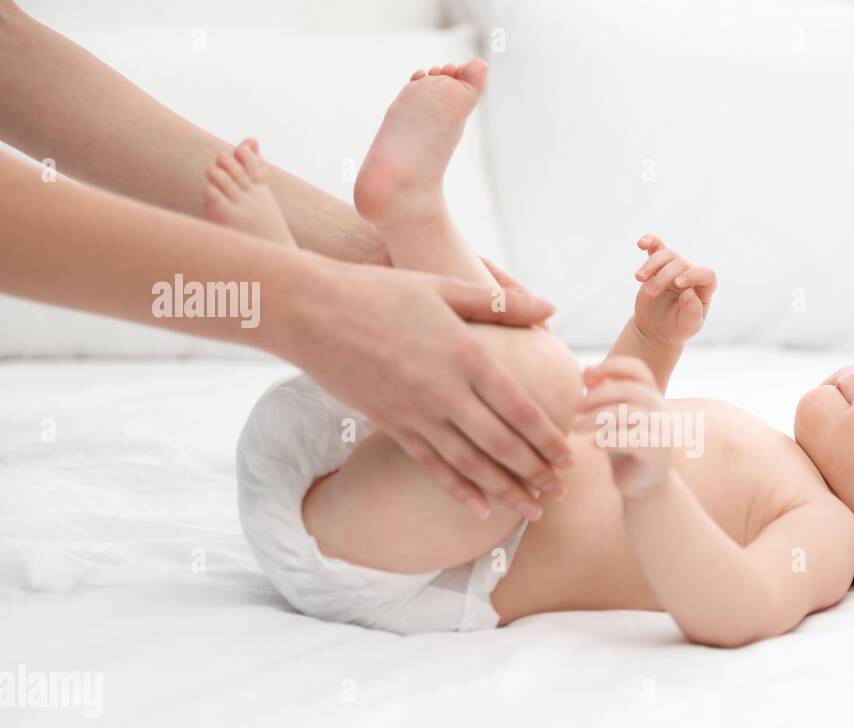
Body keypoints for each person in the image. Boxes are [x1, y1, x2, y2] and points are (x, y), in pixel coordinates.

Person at [232, 60, 854, 643]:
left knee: (533, 377)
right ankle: (400, 220)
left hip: (414, 563)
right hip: (381, 460)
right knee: (537, 366)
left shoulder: (825, 535)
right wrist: (650, 341)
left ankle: (337, 254)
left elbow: (733, 606)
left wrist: (652, 487)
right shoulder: (771, 453)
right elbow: (592, 433)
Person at [0, 1, 572, 522]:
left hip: (356, 514)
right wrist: (303, 301)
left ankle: (397, 221)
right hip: (396, 513)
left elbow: (7, 46)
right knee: (538, 384)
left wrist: (349, 263)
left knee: (530, 376)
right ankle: (404, 213)